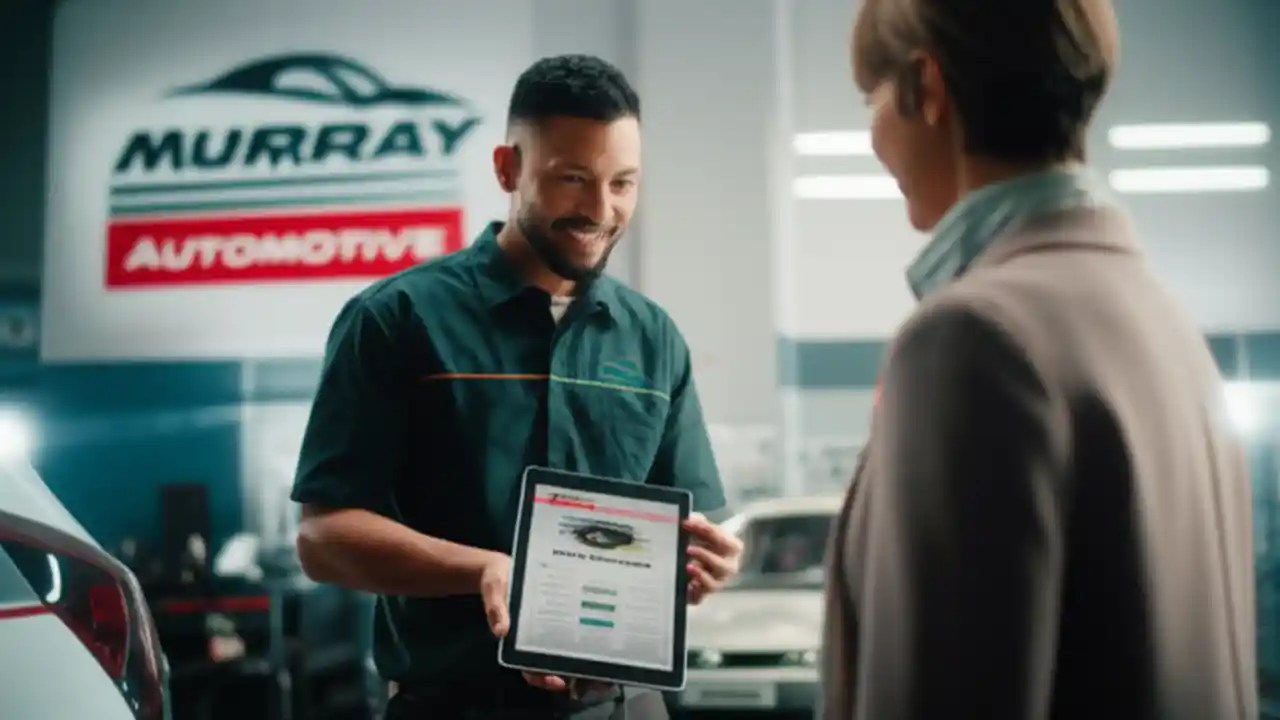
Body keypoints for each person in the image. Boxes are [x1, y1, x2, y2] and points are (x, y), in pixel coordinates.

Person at [822, 1, 1258, 718]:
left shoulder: (972, 339)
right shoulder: (1162, 318)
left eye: (871, 97)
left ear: (927, 89)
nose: (872, 134)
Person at [290, 54, 743, 720]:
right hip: (456, 706)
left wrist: (705, 565)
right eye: (572, 179)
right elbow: (323, 537)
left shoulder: (653, 339)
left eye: (623, 183)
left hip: (625, 706)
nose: (601, 209)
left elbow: (685, 529)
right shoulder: (397, 320)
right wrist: (482, 568)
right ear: (508, 169)